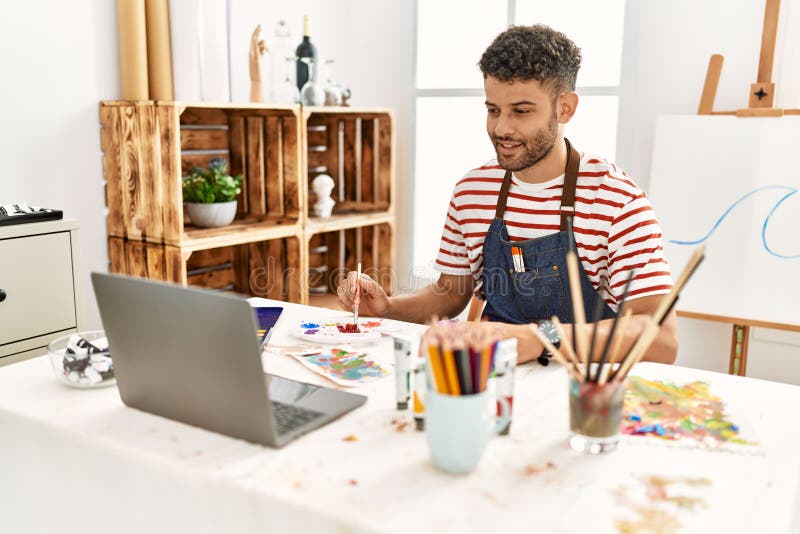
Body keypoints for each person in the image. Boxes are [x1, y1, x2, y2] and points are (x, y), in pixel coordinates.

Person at [337, 24, 678, 365]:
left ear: (565, 109)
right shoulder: (472, 191)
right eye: (493, 110)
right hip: (491, 382)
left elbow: (660, 338)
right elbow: (449, 294)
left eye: (521, 111)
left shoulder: (616, 200)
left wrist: (541, 338)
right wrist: (388, 308)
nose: (501, 129)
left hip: (582, 395)